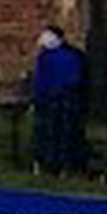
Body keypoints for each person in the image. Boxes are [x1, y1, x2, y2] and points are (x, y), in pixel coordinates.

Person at [31, 25, 89, 174]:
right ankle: (56, 164)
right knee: (55, 133)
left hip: (58, 99)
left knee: (58, 133)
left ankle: (58, 164)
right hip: (58, 99)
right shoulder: (52, 55)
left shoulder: (63, 55)